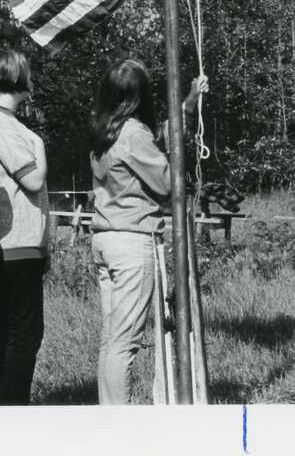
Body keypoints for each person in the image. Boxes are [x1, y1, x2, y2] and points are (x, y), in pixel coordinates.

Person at [89, 58, 206, 405]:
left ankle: (111, 419)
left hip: (105, 239)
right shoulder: (132, 134)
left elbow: (150, 147)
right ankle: (121, 428)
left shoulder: (103, 128)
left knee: (113, 339)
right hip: (131, 244)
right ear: (140, 96)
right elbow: (169, 181)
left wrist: (187, 104)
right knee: (125, 342)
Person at [0, 47, 50, 406]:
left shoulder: (1, 121)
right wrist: (38, 144)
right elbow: (34, 178)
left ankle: (9, 407)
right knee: (25, 332)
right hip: (14, 241)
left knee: (15, 330)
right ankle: (13, 411)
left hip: (20, 241)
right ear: (16, 79)